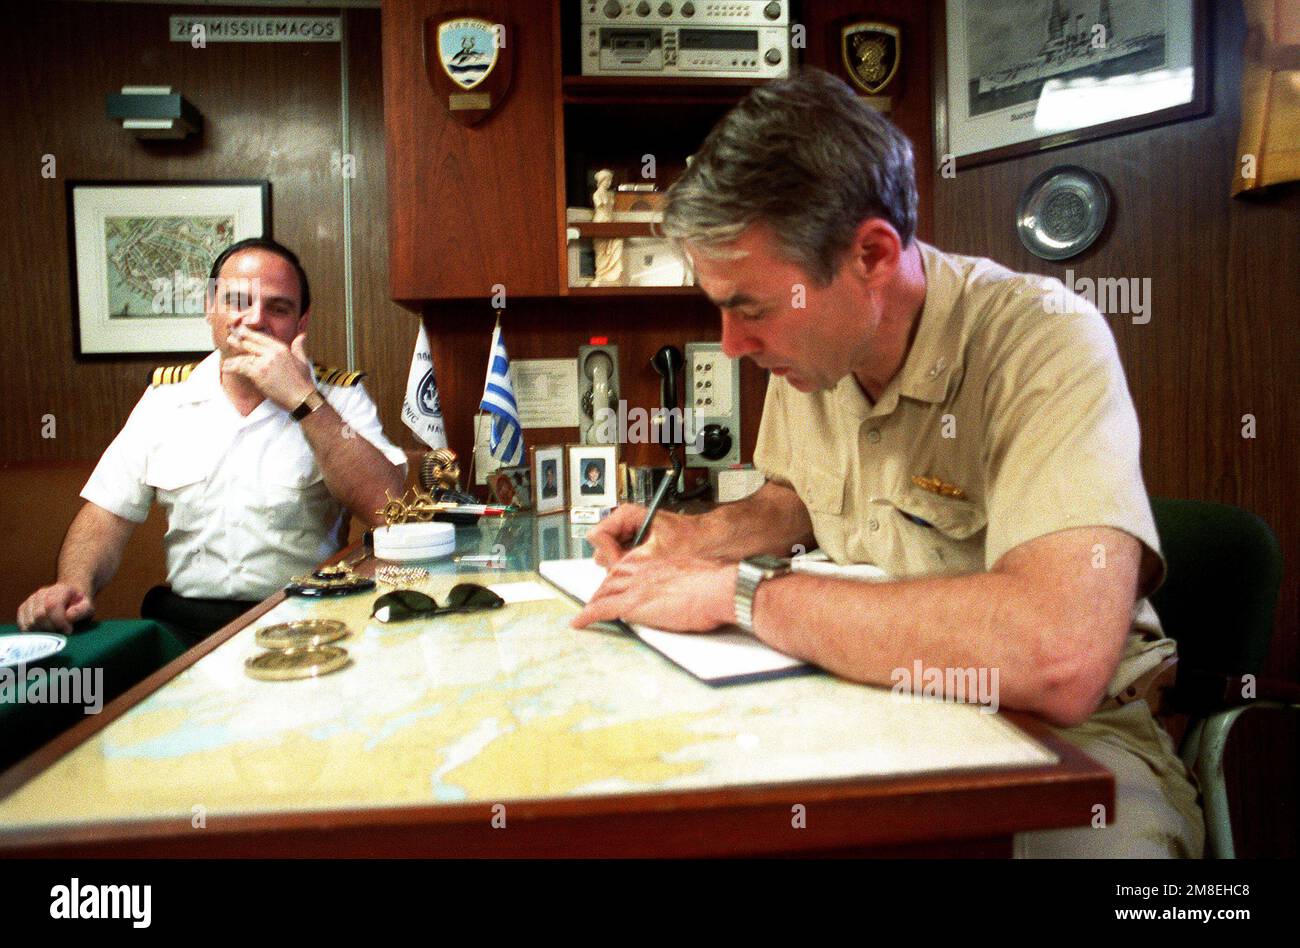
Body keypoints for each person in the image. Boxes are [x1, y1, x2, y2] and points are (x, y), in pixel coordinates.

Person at [576, 69, 1202, 858]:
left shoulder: (1044, 340)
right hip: (863, 691)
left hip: (1066, 738)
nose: (732, 345)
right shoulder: (812, 353)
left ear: (870, 254)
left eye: (753, 308)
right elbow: (794, 499)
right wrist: (700, 537)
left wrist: (740, 594)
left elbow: (1058, 656)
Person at [17, 238, 407, 640]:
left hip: (306, 618)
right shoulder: (165, 399)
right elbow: (106, 515)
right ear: (210, 307)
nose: (255, 320)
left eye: (278, 307)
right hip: (188, 626)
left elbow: (389, 511)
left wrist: (302, 399)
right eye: (239, 300)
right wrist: (74, 585)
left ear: (301, 323)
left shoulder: (338, 397)